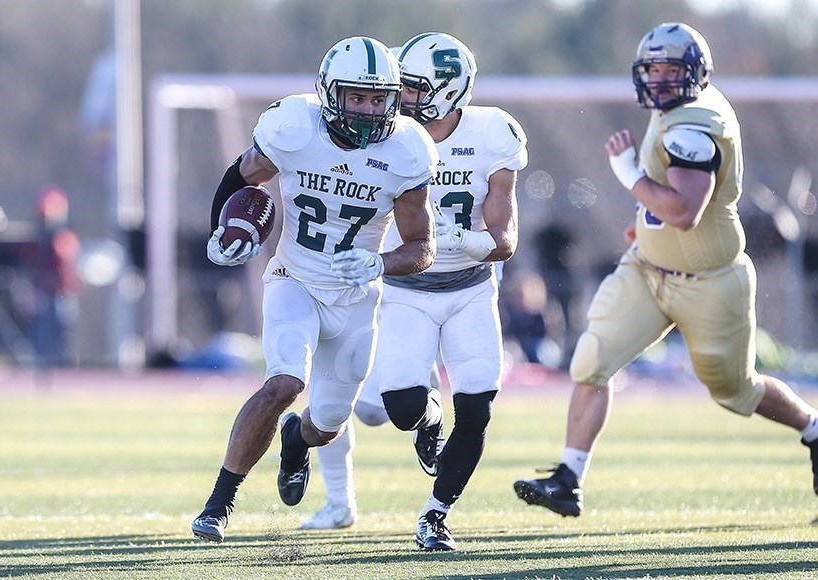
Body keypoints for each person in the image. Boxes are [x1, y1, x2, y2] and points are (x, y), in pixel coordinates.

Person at [513, 22, 818, 518]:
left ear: (696, 74)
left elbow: (683, 212)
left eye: (672, 70)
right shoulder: (674, 110)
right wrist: (642, 228)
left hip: (710, 282)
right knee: (592, 360)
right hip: (648, 270)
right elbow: (665, 211)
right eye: (653, 69)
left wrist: (629, 172)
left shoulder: (697, 125)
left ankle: (813, 427)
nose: (660, 80)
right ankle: (568, 478)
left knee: (735, 390)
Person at [190, 36, 439, 543]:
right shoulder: (293, 127)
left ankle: (296, 440)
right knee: (285, 383)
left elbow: (422, 247)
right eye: (357, 98)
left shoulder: (408, 148)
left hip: (355, 299)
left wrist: (379, 262)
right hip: (295, 280)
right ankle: (219, 504)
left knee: (326, 422)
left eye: (378, 99)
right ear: (330, 94)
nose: (369, 111)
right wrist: (222, 230)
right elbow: (242, 178)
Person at [299, 32, 527, 551]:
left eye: (414, 88)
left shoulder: (494, 132)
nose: (400, 100)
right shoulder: (388, 135)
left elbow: (505, 241)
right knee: (396, 408)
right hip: (404, 287)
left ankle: (435, 516)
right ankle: (425, 414)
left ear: (448, 90)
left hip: (471, 289)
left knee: (478, 407)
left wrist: (457, 239)